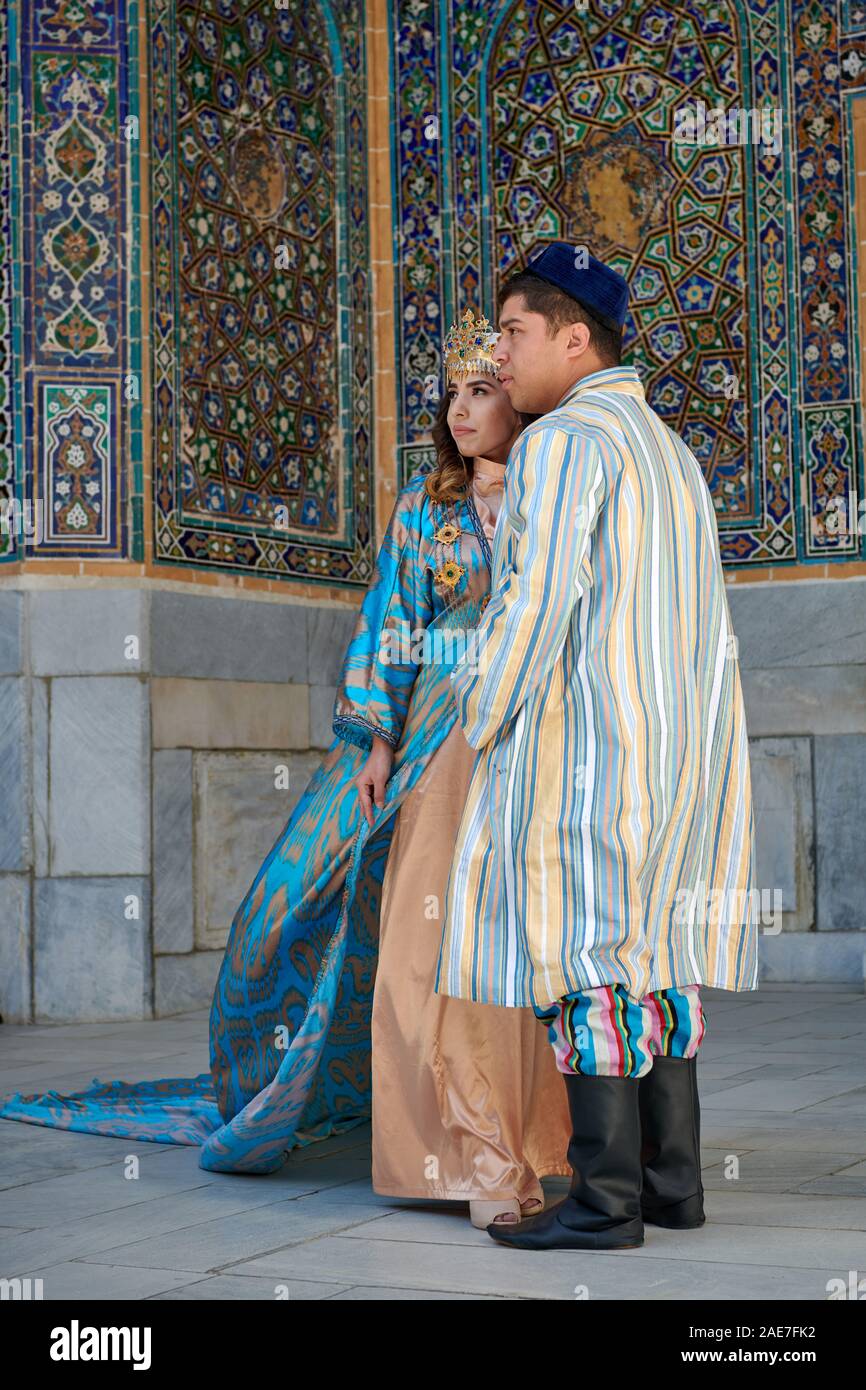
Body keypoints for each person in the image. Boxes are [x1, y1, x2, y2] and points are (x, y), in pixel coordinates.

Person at [0, 309, 570, 1230]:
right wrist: (378, 741)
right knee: (297, 906)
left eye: (481, 392)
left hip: (525, 734)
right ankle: (384, 1122)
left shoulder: (559, 491)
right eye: (451, 396)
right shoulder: (423, 508)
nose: (461, 413)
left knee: (501, 937)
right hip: (428, 732)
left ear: (517, 400)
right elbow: (392, 621)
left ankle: (528, 1139)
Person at [436, 245, 759, 1250]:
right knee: (652, 959)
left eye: (515, 331)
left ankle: (602, 1201)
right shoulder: (668, 449)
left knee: (581, 958)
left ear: (575, 338)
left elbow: (533, 604)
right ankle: (672, 1186)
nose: (501, 349)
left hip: (591, 752)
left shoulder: (565, 442)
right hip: (677, 756)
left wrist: (474, 714)